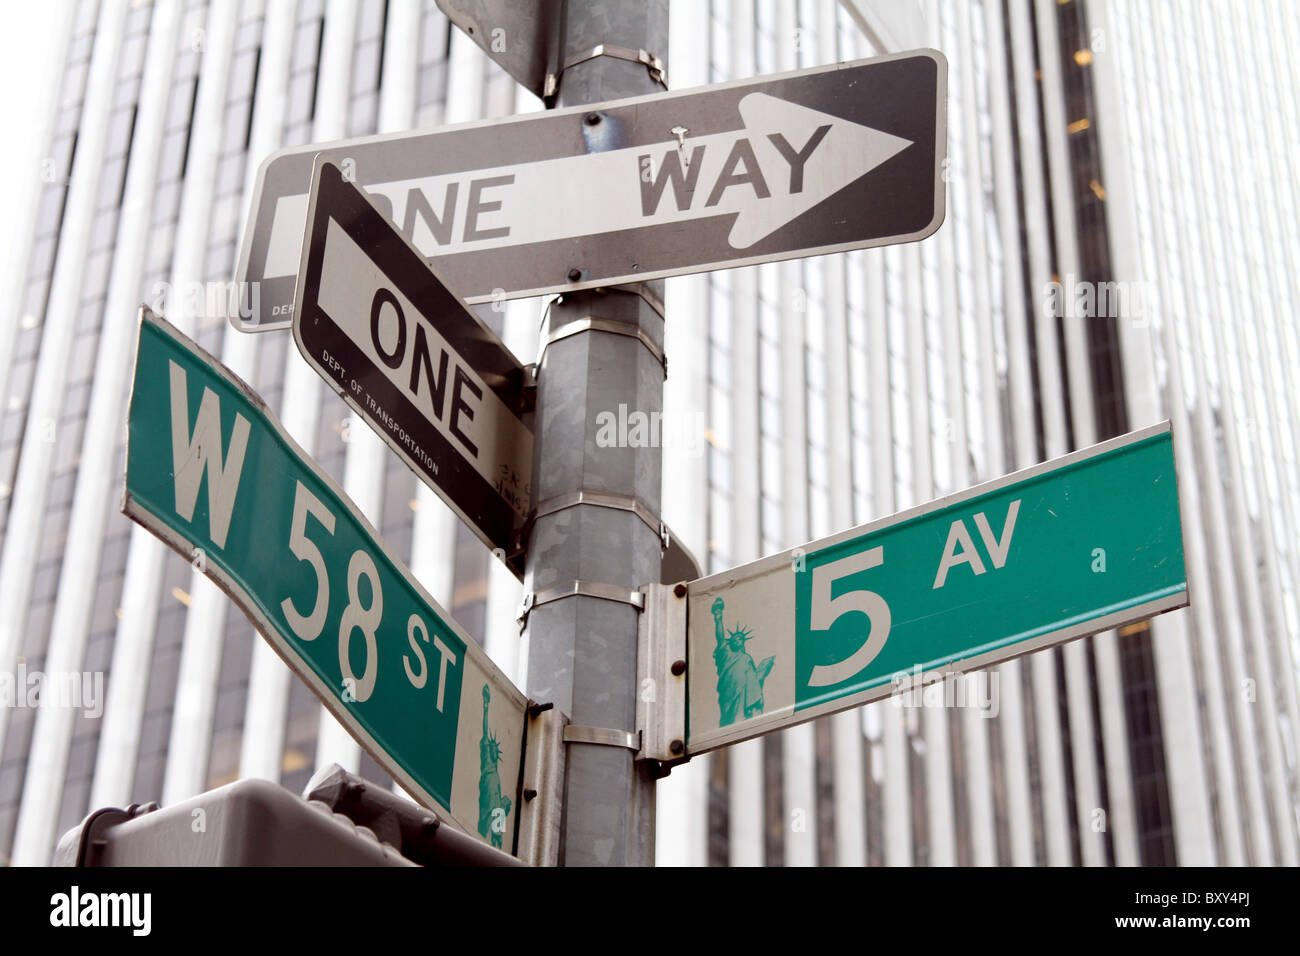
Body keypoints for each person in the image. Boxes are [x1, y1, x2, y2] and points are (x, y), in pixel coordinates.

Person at [711, 597, 775, 726]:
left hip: (745, 695)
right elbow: (720, 637)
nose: (736, 640)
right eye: (733, 638)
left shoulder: (747, 658)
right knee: (730, 718)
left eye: (739, 638)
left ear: (743, 642)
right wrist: (718, 616)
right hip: (729, 690)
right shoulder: (726, 653)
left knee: (741, 719)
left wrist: (763, 668)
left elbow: (753, 680)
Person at [477, 685, 512, 847]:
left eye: (494, 749)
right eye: (490, 748)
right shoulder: (487, 763)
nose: (492, 750)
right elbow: (485, 732)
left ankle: (496, 845)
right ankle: (486, 842)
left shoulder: (496, 768)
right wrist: (486, 706)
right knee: (486, 821)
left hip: (495, 794)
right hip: (488, 791)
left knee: (497, 832)